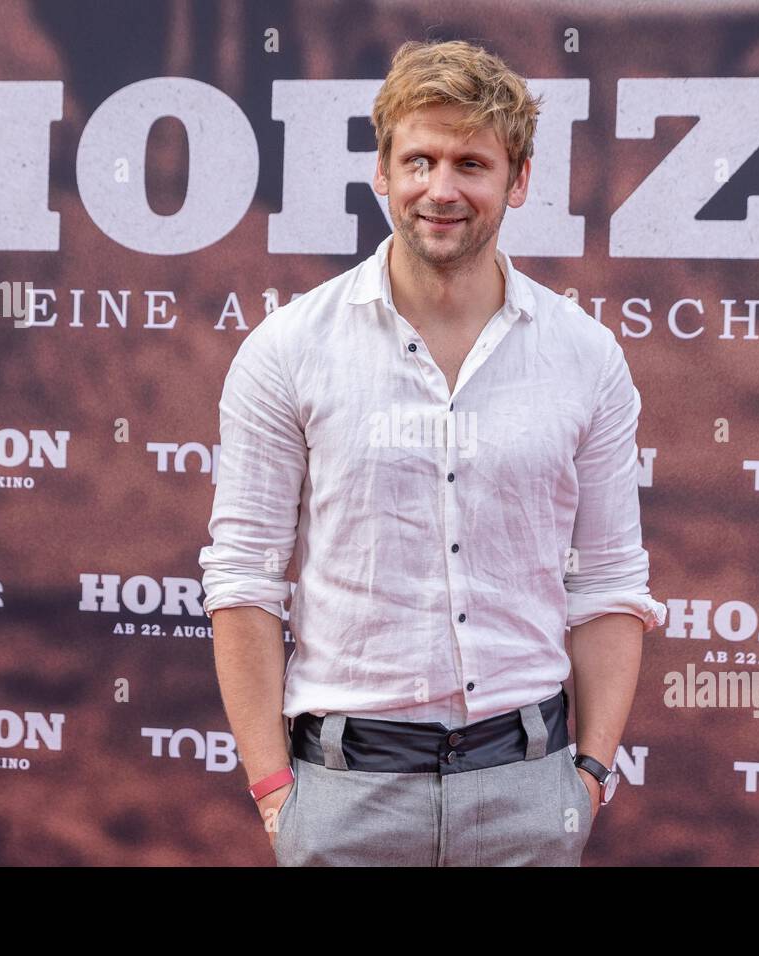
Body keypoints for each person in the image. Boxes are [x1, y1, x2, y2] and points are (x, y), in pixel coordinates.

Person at [199, 38, 665, 866]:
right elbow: (241, 576)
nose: (440, 190)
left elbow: (609, 581)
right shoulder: (288, 349)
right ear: (382, 171)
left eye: (471, 164)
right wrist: (276, 793)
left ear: (517, 180)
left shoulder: (586, 358)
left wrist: (586, 777)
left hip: (530, 790)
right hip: (343, 795)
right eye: (418, 160)